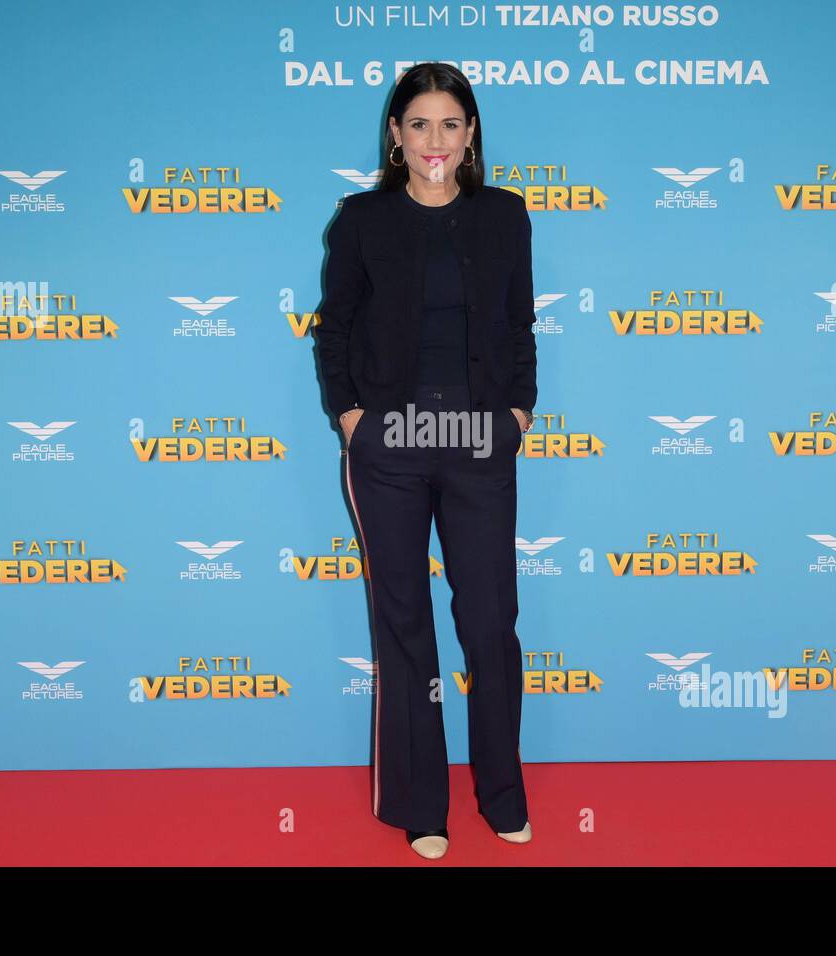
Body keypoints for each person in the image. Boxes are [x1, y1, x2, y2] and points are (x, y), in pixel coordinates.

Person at [313, 62, 539, 860]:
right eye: (419, 125)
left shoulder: (506, 217)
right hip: (389, 449)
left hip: (480, 441)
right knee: (404, 625)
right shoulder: (363, 220)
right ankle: (421, 805)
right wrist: (350, 418)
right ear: (395, 136)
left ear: (471, 134)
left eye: (450, 124)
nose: (435, 141)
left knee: (488, 622)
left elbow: (519, 327)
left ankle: (502, 791)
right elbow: (332, 327)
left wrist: (517, 413)